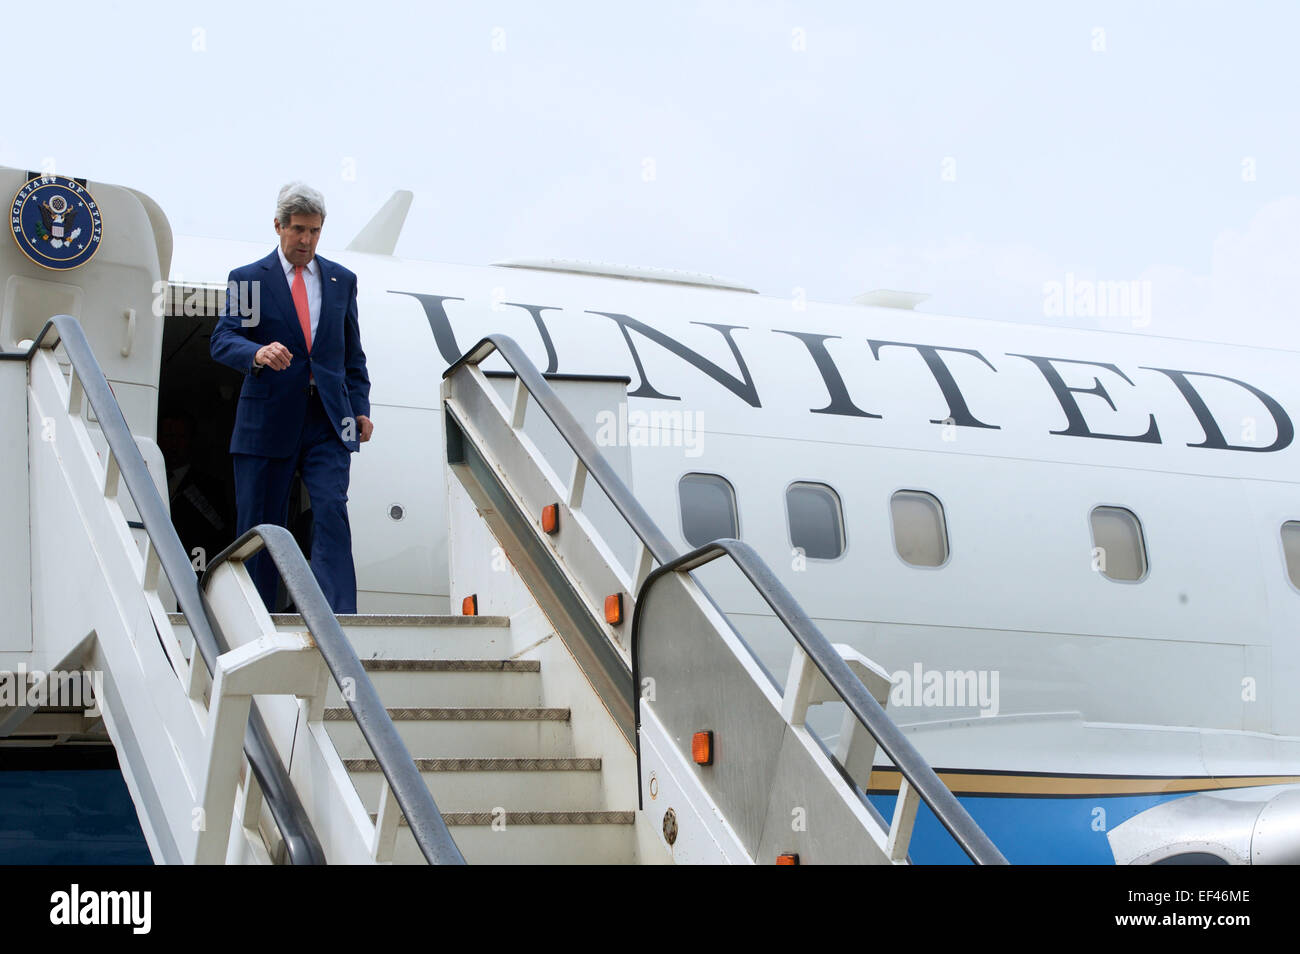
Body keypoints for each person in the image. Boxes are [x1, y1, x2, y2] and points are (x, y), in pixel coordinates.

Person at [210, 182, 373, 613]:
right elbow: (224, 339)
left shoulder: (341, 280)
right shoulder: (250, 279)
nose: (306, 240)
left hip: (328, 418)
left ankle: (339, 615)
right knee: (262, 524)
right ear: (278, 226)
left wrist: (360, 409)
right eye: (298, 229)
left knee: (331, 509)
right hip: (267, 419)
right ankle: (257, 614)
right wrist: (257, 352)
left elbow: (352, 356)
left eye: (314, 231)